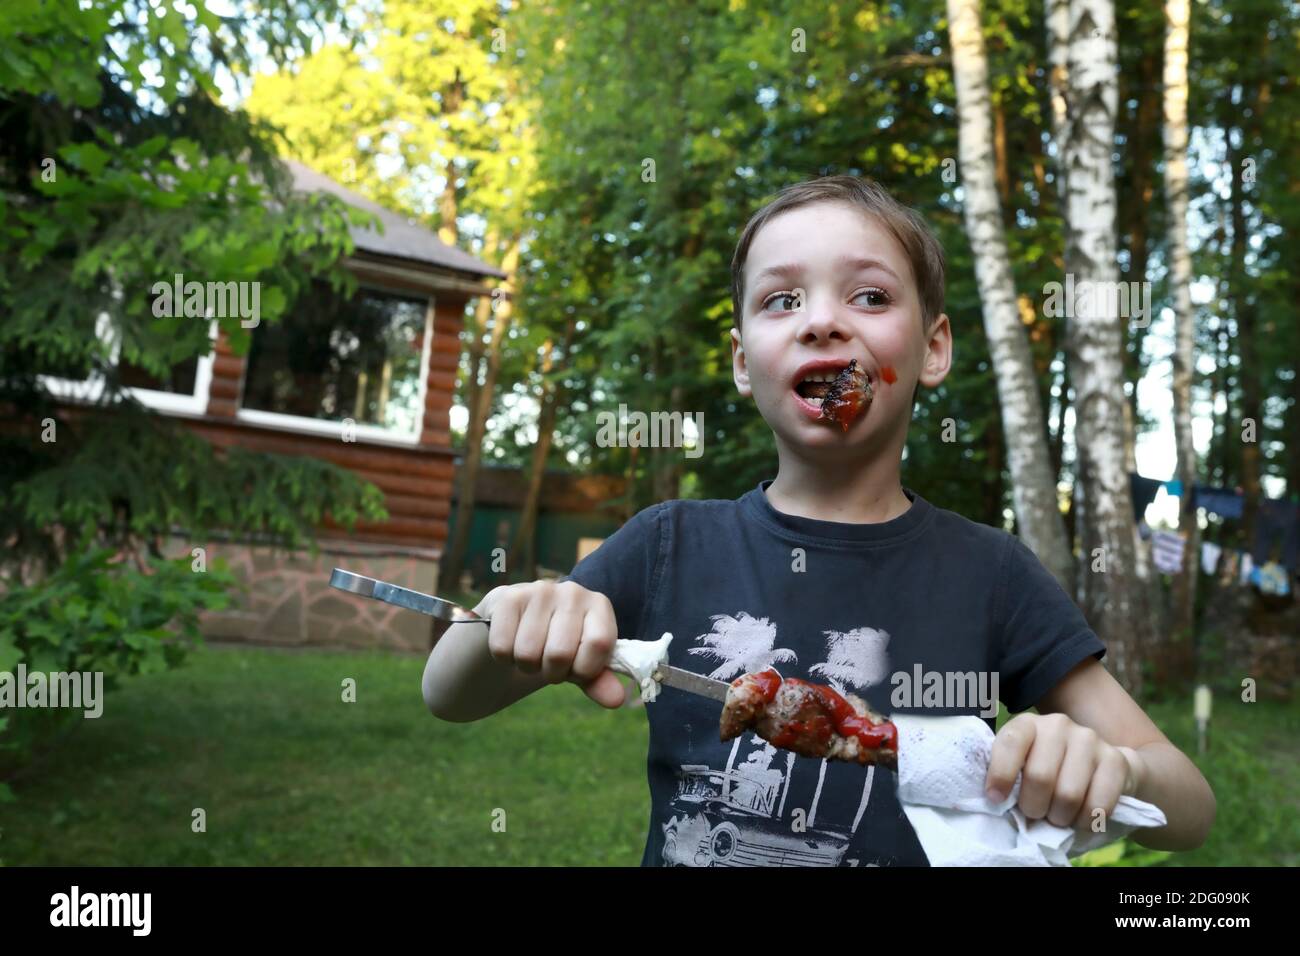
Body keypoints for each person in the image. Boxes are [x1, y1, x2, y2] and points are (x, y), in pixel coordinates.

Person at [422, 175, 1215, 866]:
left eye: (869, 296)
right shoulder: (669, 544)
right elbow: (448, 695)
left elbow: (1190, 808)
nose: (822, 321)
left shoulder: (993, 574)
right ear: (742, 361)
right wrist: (507, 615)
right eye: (781, 299)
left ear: (933, 349)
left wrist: (1120, 771)